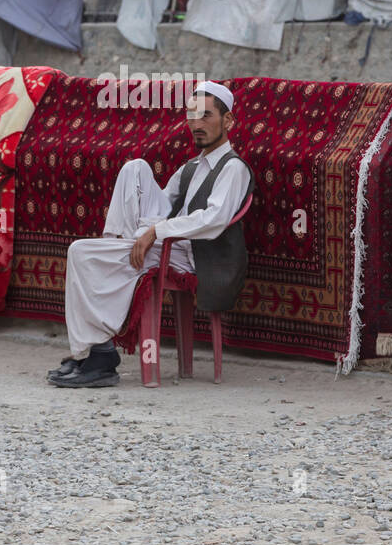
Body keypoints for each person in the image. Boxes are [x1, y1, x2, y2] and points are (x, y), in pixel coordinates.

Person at [48, 81, 253, 388]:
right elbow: (163, 203)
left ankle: (98, 355)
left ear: (228, 121)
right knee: (136, 169)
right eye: (192, 116)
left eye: (206, 116)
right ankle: (98, 348)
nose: (197, 124)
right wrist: (149, 230)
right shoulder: (191, 167)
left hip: (199, 257)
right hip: (169, 246)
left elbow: (215, 220)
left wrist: (155, 231)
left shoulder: (233, 168)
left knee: (81, 253)